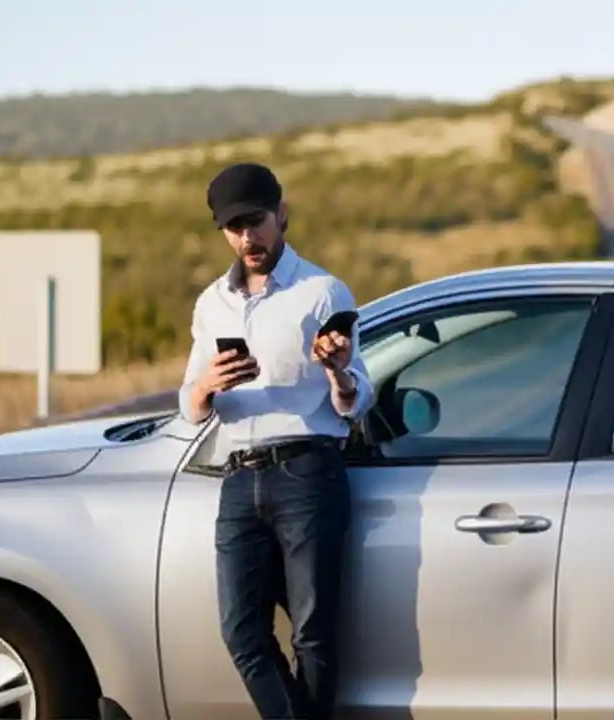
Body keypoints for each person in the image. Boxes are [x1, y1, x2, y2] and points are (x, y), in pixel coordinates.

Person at [177, 162, 375, 719]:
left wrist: (337, 369)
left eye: (256, 222)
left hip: (307, 472)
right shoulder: (210, 302)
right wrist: (207, 387)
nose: (247, 237)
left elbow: (358, 400)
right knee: (241, 634)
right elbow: (190, 405)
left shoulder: (321, 291)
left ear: (281, 214)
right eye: (234, 227)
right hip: (237, 478)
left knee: (313, 635)